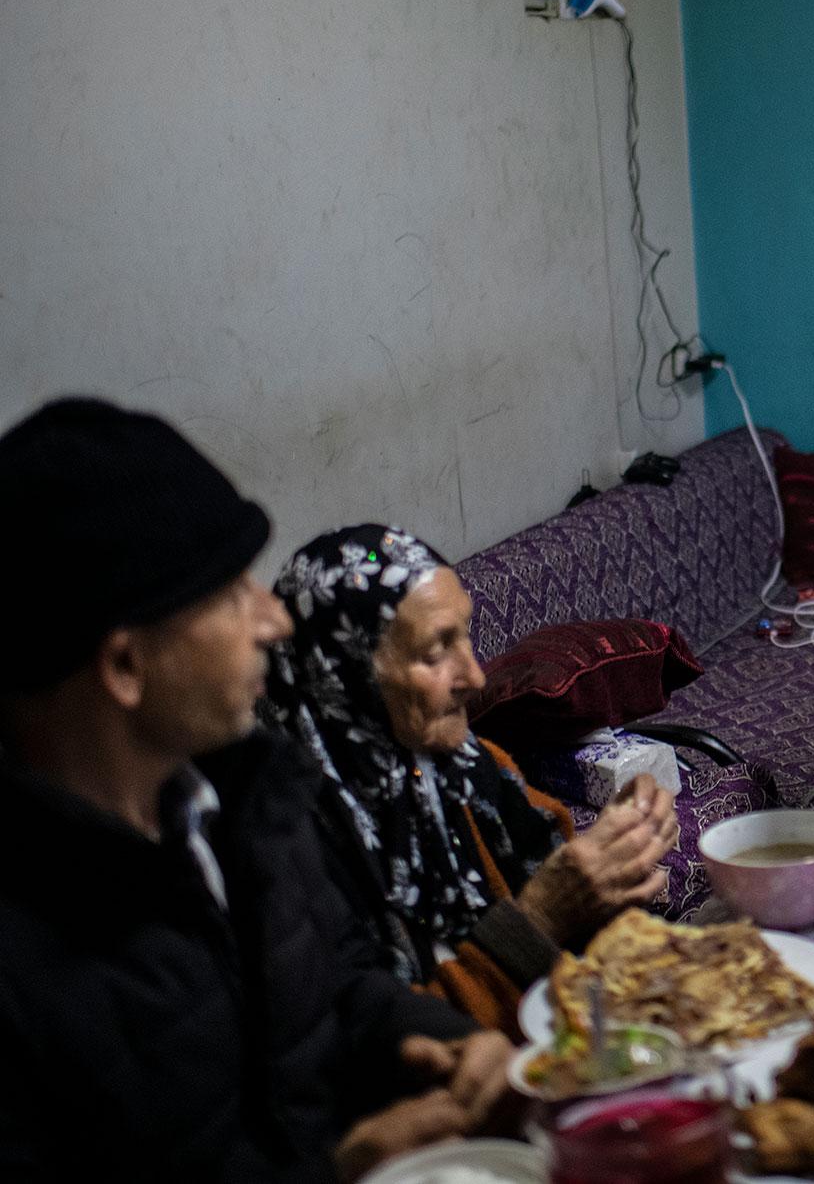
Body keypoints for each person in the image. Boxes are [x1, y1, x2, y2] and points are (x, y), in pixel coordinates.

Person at [0, 399, 514, 1182]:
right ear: (126, 667)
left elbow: (331, 983)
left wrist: (436, 1036)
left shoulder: (248, 802)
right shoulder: (26, 961)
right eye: (232, 592)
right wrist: (338, 1171)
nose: (274, 618)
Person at [263, 524, 680, 1036]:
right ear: (345, 675)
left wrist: (619, 857)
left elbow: (579, 916)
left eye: (466, 634)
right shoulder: (289, 847)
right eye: (437, 651)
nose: (476, 676)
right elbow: (381, 1059)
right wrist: (537, 922)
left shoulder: (472, 768)